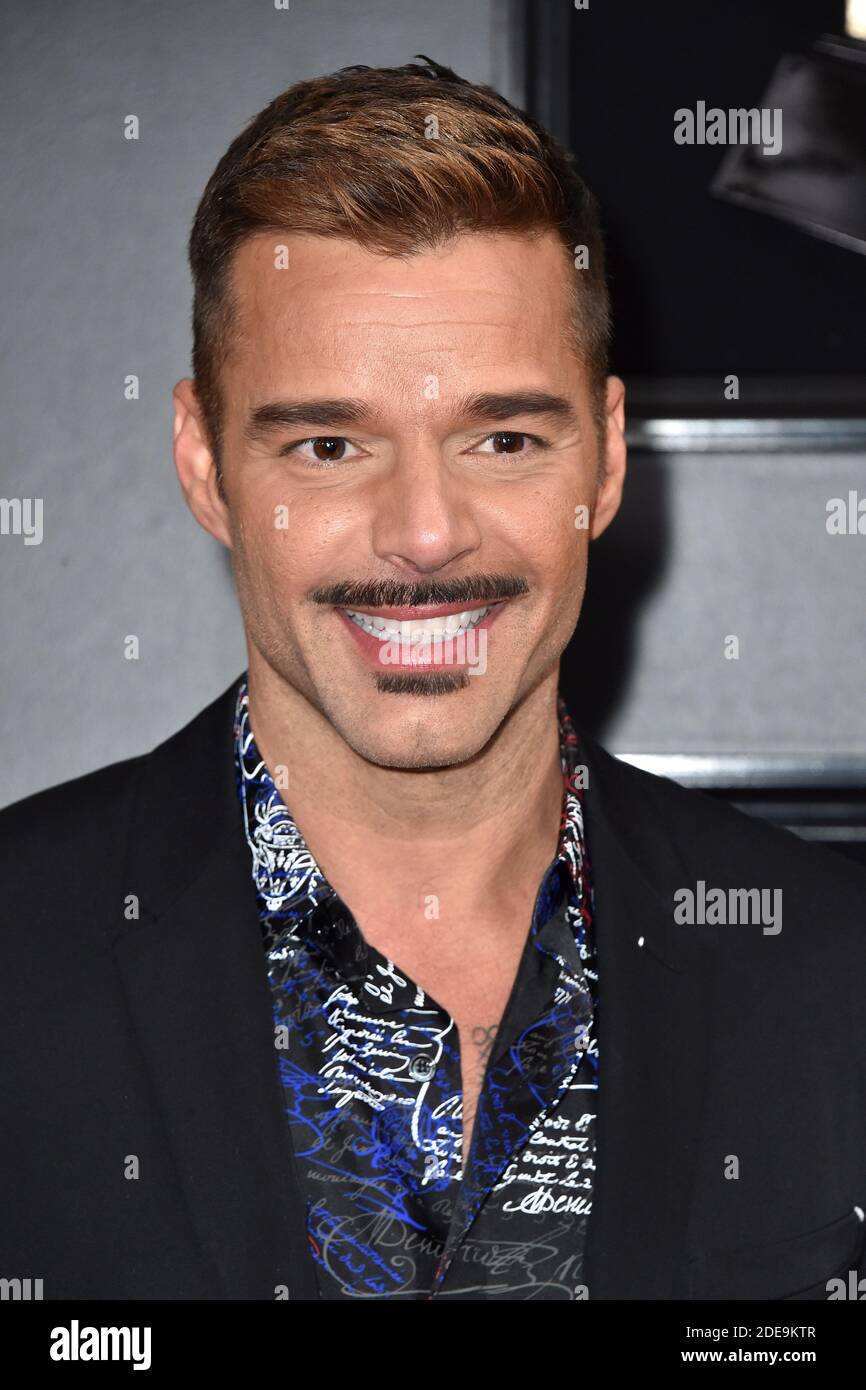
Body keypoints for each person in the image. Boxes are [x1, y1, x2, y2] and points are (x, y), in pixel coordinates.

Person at [1, 56, 864, 1303]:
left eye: (501, 438)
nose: (422, 532)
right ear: (203, 465)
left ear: (606, 461)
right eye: (329, 443)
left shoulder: (832, 973)